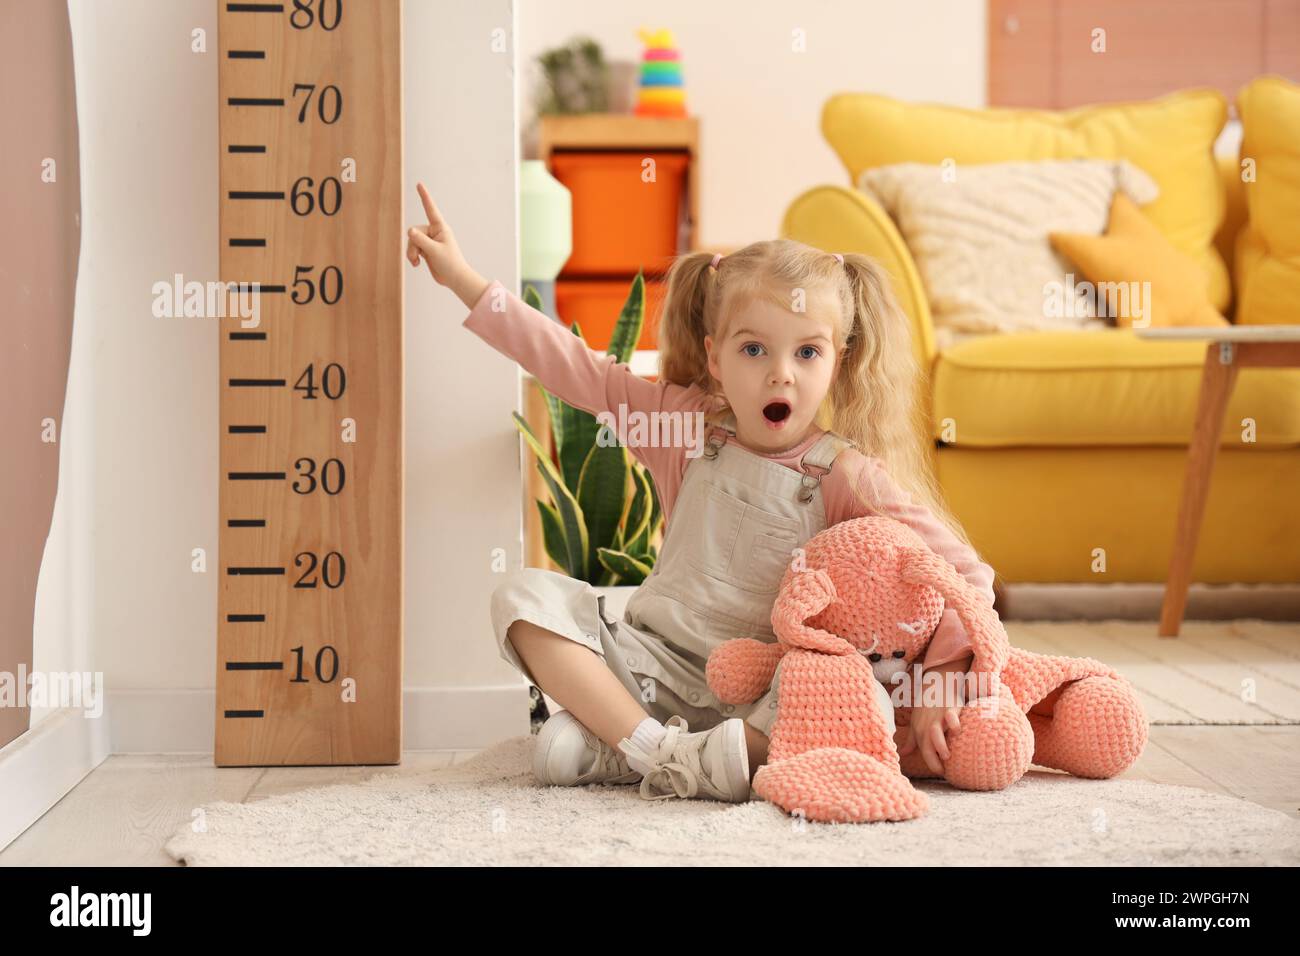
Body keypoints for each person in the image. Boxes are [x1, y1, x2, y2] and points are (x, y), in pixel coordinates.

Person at [406, 182, 995, 803]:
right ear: (715, 358)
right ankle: (662, 752)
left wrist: (941, 681)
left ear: (838, 362)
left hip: (764, 692)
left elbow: (964, 576)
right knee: (521, 598)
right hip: (652, 667)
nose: (780, 373)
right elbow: (571, 366)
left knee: (854, 693)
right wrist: (464, 280)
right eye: (753, 349)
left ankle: (629, 748)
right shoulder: (681, 428)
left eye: (807, 352)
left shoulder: (849, 475)